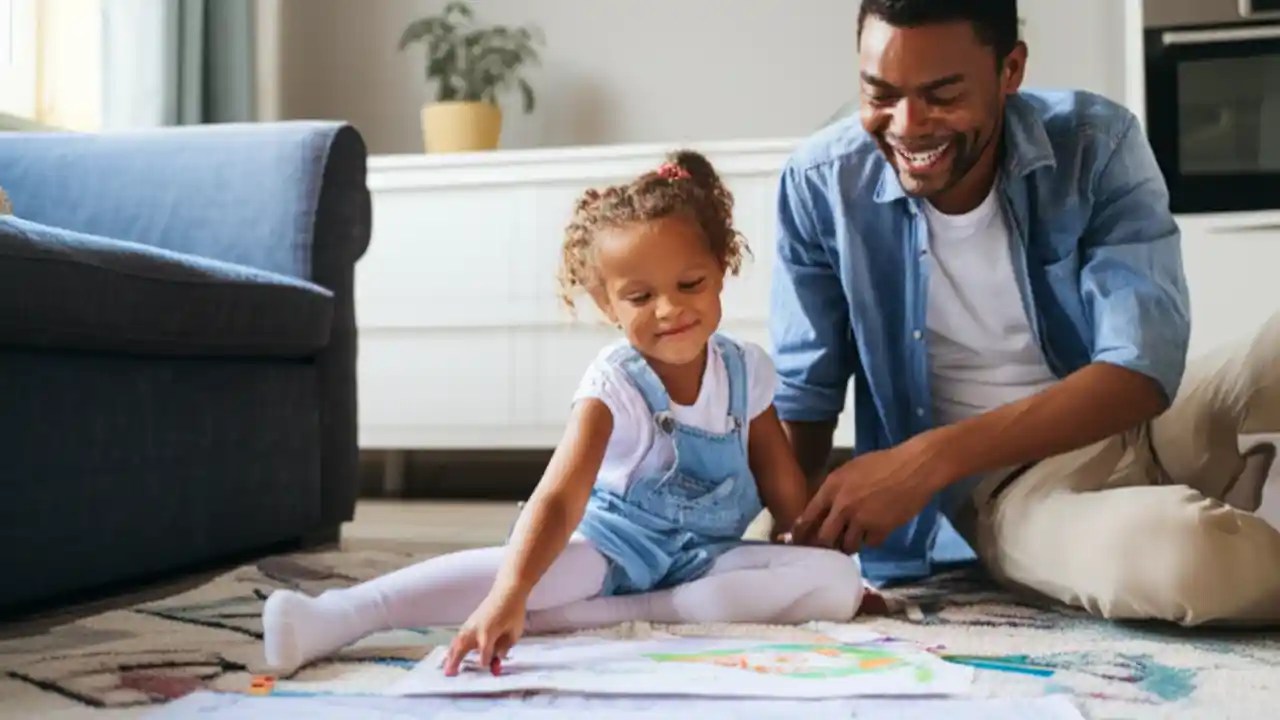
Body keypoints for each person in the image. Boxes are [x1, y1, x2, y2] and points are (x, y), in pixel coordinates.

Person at [260, 150, 873, 676]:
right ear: (606, 304)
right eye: (640, 296)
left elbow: (785, 489)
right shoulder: (615, 384)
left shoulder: (746, 370)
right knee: (533, 576)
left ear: (722, 271)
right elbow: (557, 499)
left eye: (691, 283)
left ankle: (626, 615)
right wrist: (510, 593)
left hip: (705, 559)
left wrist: (820, 560)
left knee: (837, 584)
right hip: (609, 549)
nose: (669, 309)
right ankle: (339, 615)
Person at [770, 0, 1280, 626]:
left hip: (1150, 420)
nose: (907, 125)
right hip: (1010, 489)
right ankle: (1233, 516)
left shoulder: (1095, 141)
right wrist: (777, 546)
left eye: (941, 95)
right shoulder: (822, 183)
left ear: (1009, 71)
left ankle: (1237, 505)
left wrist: (926, 459)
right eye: (881, 94)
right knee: (1181, 558)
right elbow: (806, 396)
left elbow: (1141, 373)